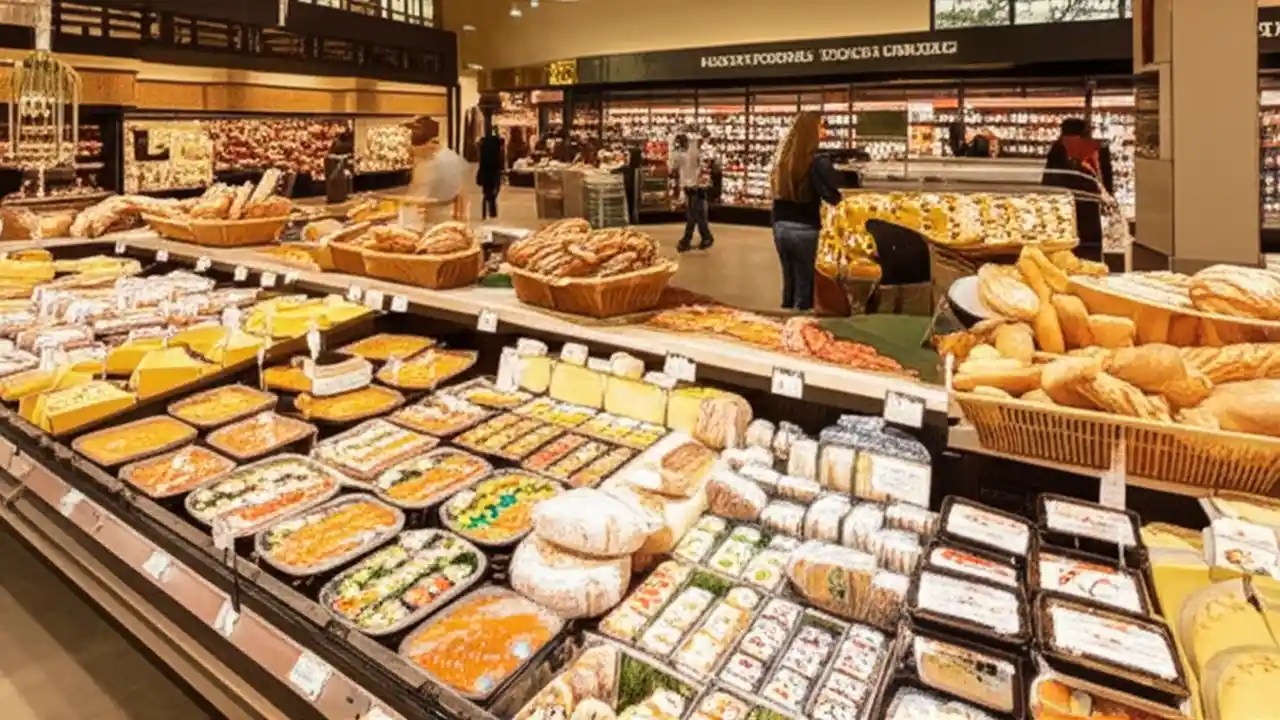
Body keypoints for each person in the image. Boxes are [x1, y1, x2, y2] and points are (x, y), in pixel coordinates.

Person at [770, 111, 844, 312]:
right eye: (821, 127)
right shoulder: (817, 161)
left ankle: (783, 321)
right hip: (805, 227)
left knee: (790, 283)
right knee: (806, 287)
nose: (824, 131)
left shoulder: (783, 159)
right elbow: (832, 195)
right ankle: (798, 330)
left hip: (780, 225)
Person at [1043, 117, 1114, 257]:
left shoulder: (1058, 147)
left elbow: (1049, 178)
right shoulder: (1097, 148)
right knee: (1089, 246)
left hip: (1064, 204)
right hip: (1090, 202)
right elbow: (1106, 177)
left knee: (1065, 246)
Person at [405, 116, 467, 226]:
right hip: (450, 223)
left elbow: (417, 202)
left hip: (429, 224)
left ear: (427, 145)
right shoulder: (452, 156)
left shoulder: (429, 165)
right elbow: (461, 195)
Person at [669, 133, 714, 252]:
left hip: (696, 187)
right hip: (691, 187)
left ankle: (687, 240)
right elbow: (674, 167)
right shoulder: (681, 154)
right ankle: (706, 237)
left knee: (693, 215)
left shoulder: (692, 153)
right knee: (698, 215)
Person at [476, 132, 505, 220]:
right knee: (494, 192)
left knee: (486, 193)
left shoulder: (484, 149)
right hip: (494, 173)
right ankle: (492, 212)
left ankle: (486, 212)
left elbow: (481, 163)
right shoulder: (497, 151)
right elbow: (500, 162)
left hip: (485, 173)